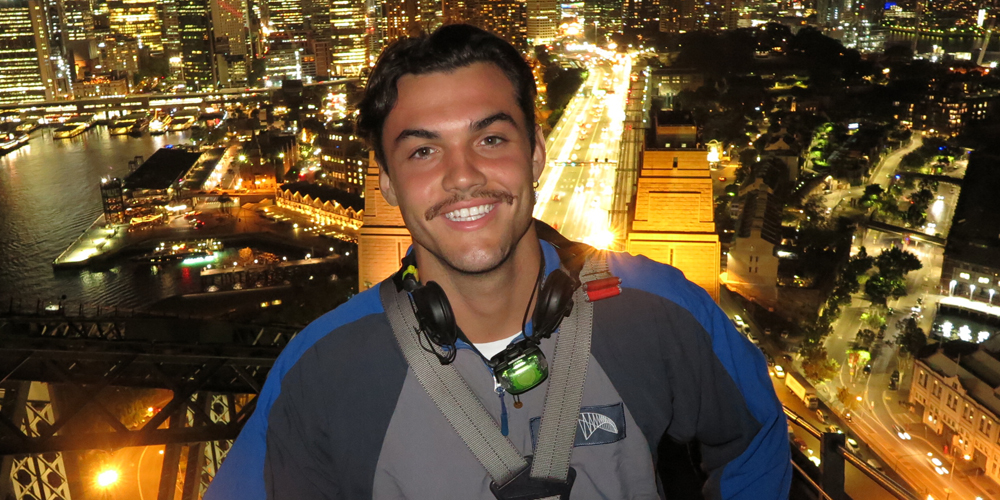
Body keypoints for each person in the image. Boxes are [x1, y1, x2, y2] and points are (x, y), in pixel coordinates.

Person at [206, 24, 791, 499]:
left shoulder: (660, 311)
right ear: (385, 182)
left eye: (490, 139)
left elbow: (756, 437)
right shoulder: (321, 367)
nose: (462, 176)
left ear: (535, 153)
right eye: (424, 150)